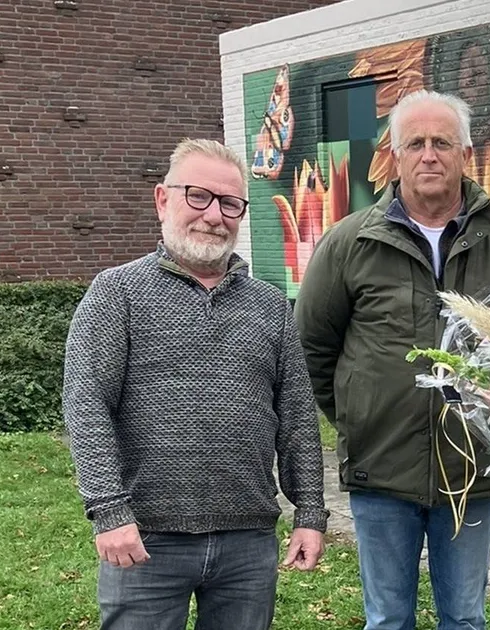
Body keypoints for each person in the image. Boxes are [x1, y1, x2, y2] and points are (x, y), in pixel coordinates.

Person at [62, 138, 329, 630]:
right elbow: (87, 405)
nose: (214, 216)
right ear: (163, 199)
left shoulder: (270, 306)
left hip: (248, 544)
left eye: (230, 203)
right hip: (144, 541)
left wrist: (310, 512)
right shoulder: (116, 292)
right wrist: (108, 511)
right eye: (199, 196)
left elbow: (296, 417)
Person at [294, 90, 490, 630]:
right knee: (387, 620)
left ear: (465, 154)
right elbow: (312, 347)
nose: (429, 155)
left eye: (441, 143)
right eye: (415, 143)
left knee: (465, 618)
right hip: (382, 470)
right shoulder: (350, 243)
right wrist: (358, 416)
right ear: (395, 156)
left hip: (470, 471)